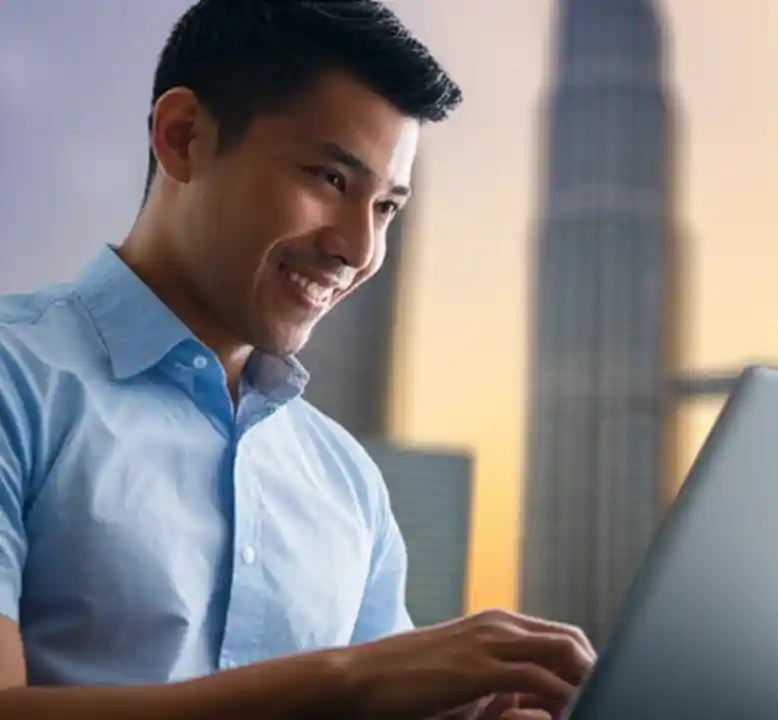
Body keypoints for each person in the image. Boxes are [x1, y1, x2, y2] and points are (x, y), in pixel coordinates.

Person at [0, 1, 595, 718]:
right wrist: (346, 682)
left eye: (386, 209)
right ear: (182, 136)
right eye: (331, 180)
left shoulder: (348, 484)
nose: (360, 250)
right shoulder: (17, 381)